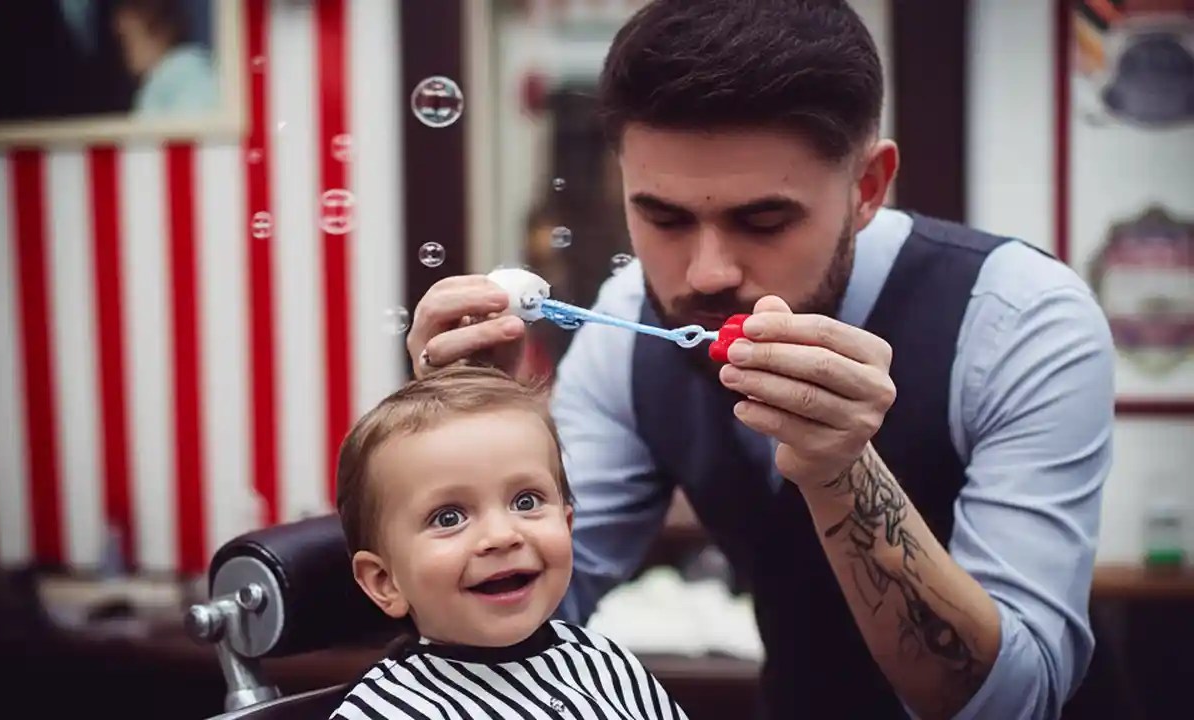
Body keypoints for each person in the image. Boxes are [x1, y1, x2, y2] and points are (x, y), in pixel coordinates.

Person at [402, 1, 1117, 719]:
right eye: (663, 217)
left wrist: (843, 471)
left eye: (764, 220)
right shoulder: (626, 322)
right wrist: (469, 439)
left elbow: (1013, 702)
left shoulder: (1021, 320)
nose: (707, 273)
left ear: (867, 187)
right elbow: (536, 614)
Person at [329, 366, 691, 720]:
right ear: (384, 581)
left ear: (567, 525)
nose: (502, 536)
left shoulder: (603, 662)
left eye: (526, 501)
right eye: (449, 517)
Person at [112, 0, 217, 116]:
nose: (125, 50)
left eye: (127, 38)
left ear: (159, 31)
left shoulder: (183, 78)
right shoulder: (162, 80)